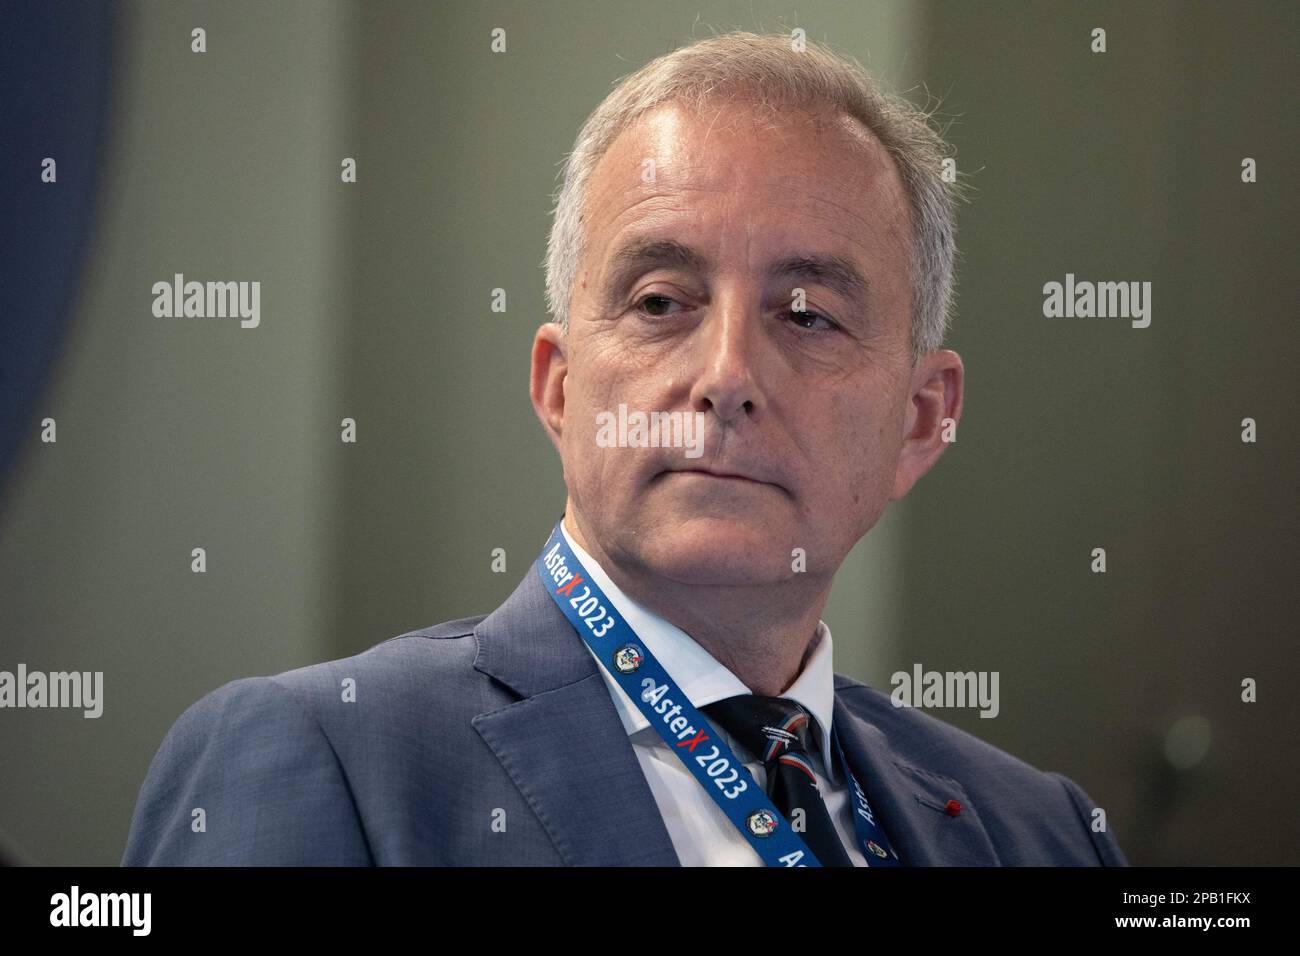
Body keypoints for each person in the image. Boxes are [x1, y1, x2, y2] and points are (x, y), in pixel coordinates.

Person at [122, 31, 1127, 867]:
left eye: (808, 314)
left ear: (919, 419)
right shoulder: (323, 759)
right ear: (560, 387)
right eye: (659, 302)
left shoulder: (1041, 834)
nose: (725, 373)